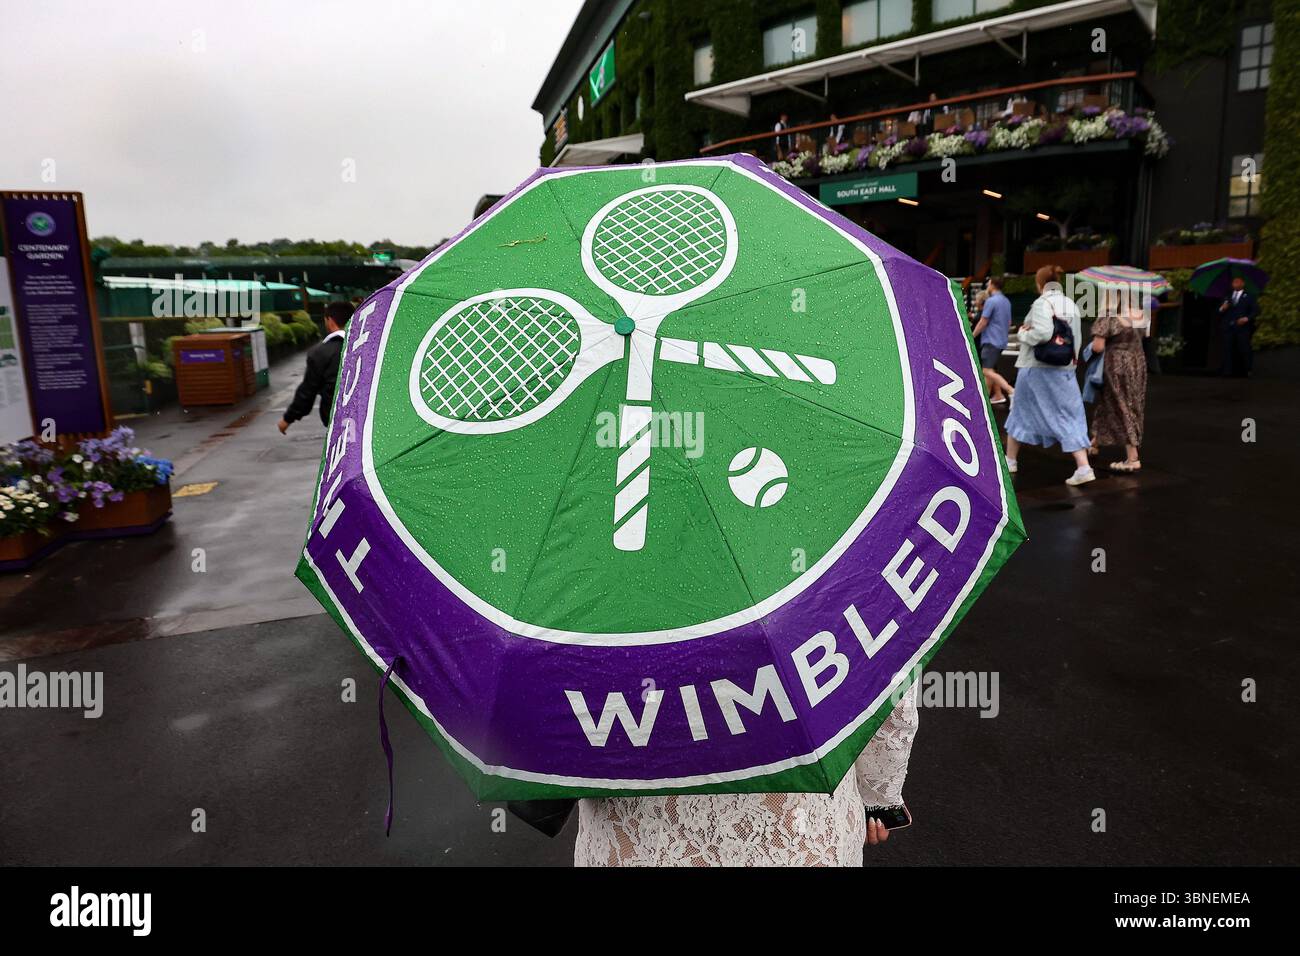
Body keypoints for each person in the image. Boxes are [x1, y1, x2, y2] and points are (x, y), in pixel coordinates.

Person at [574, 685, 919, 866]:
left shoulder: (589, 558)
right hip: (792, 831)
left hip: (637, 836)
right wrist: (878, 801)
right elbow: (888, 690)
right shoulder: (818, 550)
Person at [1004, 265, 1095, 486]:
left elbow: (1042, 333)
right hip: (1064, 369)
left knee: (1020, 412)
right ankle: (1083, 466)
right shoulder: (1070, 304)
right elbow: (1076, 337)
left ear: (1039, 283)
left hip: (1036, 368)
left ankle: (1010, 460)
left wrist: (1024, 334)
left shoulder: (1041, 303)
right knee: (1069, 415)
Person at [1088, 292, 1149, 472]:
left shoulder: (1109, 315)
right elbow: (1144, 336)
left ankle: (1132, 458)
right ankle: (1095, 443)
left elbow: (1098, 347)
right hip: (1137, 363)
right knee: (1118, 403)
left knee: (1122, 405)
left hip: (1117, 365)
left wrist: (1089, 348)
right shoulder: (1139, 313)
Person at [278, 301, 352, 433]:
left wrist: (288, 418)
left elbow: (308, 391)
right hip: (367, 415)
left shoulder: (320, 352)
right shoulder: (366, 345)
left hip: (336, 419)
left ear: (330, 320)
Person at [971, 276, 1015, 405]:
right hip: (1001, 340)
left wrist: (972, 335)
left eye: (989, 284)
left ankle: (1010, 390)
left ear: (992, 285)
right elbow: (1009, 322)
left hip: (991, 340)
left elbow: (983, 321)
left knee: (986, 371)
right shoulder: (1006, 301)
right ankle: (990, 398)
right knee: (989, 370)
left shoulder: (991, 301)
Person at [1218, 276, 1258, 377]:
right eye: (1234, 282)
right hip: (1228, 326)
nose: (1235, 284)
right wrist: (1222, 308)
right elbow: (1219, 311)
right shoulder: (1227, 296)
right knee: (1227, 349)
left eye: (1237, 282)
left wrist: (1246, 318)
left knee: (1244, 348)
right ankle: (1227, 372)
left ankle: (1247, 370)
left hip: (1242, 327)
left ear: (1242, 283)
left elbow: (1255, 311)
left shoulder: (1249, 296)